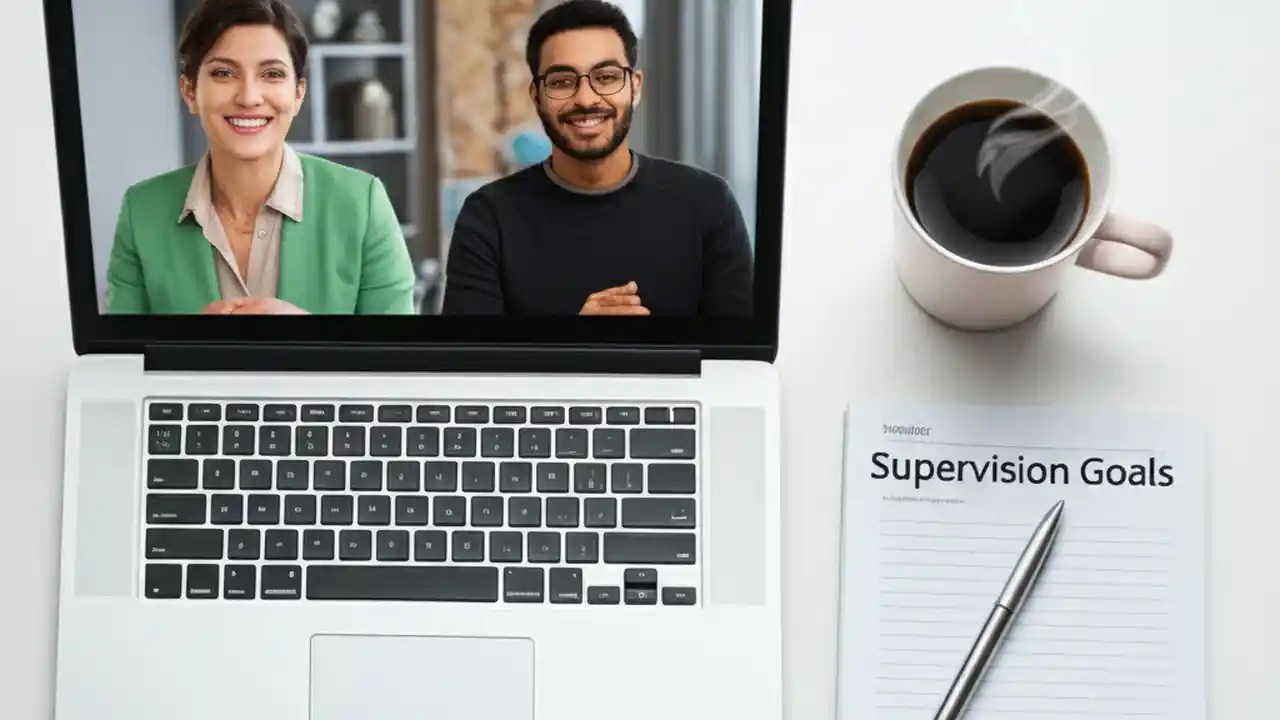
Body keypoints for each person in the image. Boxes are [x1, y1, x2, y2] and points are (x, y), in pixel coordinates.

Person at [441, 0, 754, 317]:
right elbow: (471, 363)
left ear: (635, 87)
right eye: (562, 82)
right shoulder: (489, 218)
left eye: (606, 77)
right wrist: (578, 343)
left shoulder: (707, 204)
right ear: (536, 97)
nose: (586, 99)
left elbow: (738, 357)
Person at [105, 0, 416, 315]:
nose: (249, 97)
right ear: (189, 92)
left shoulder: (363, 204)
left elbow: (398, 361)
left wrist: (313, 342)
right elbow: (121, 359)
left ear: (298, 94)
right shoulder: (141, 211)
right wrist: (189, 348)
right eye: (224, 73)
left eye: (272, 73)